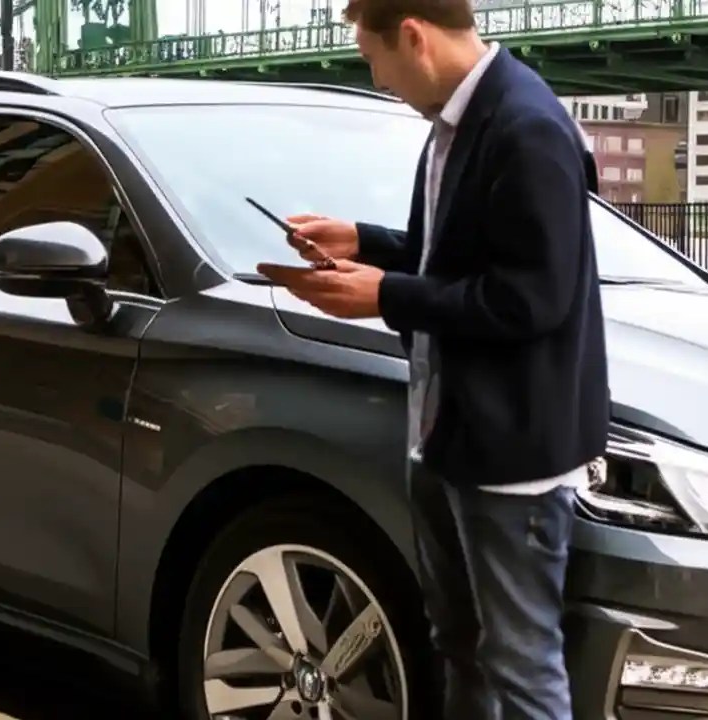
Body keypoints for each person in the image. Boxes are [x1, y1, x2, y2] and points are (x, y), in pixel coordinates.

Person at [256, 1, 609, 718]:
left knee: (520, 664)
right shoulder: (460, 121)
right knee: (462, 645)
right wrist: (365, 241)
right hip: (448, 433)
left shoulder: (527, 127)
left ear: (411, 36)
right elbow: (454, 256)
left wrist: (384, 295)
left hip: (512, 459)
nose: (377, 78)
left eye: (372, 57)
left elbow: (529, 301)